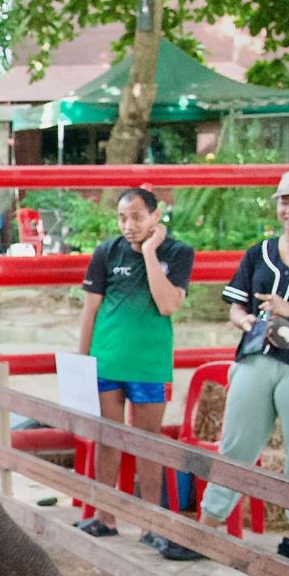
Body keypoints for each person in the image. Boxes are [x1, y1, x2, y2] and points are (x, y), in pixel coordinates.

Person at [160, 167, 289, 565]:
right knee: (235, 445)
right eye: (284, 202)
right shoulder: (260, 253)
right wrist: (245, 322)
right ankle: (206, 529)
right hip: (257, 359)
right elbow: (237, 306)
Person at [72, 187, 193, 539]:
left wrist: (151, 253)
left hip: (149, 363)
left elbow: (168, 304)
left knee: (147, 442)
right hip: (107, 359)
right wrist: (83, 361)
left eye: (137, 217)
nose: (129, 225)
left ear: (156, 216)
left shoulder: (178, 252)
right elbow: (91, 308)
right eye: (123, 217)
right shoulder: (107, 252)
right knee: (107, 438)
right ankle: (104, 516)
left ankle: (151, 522)